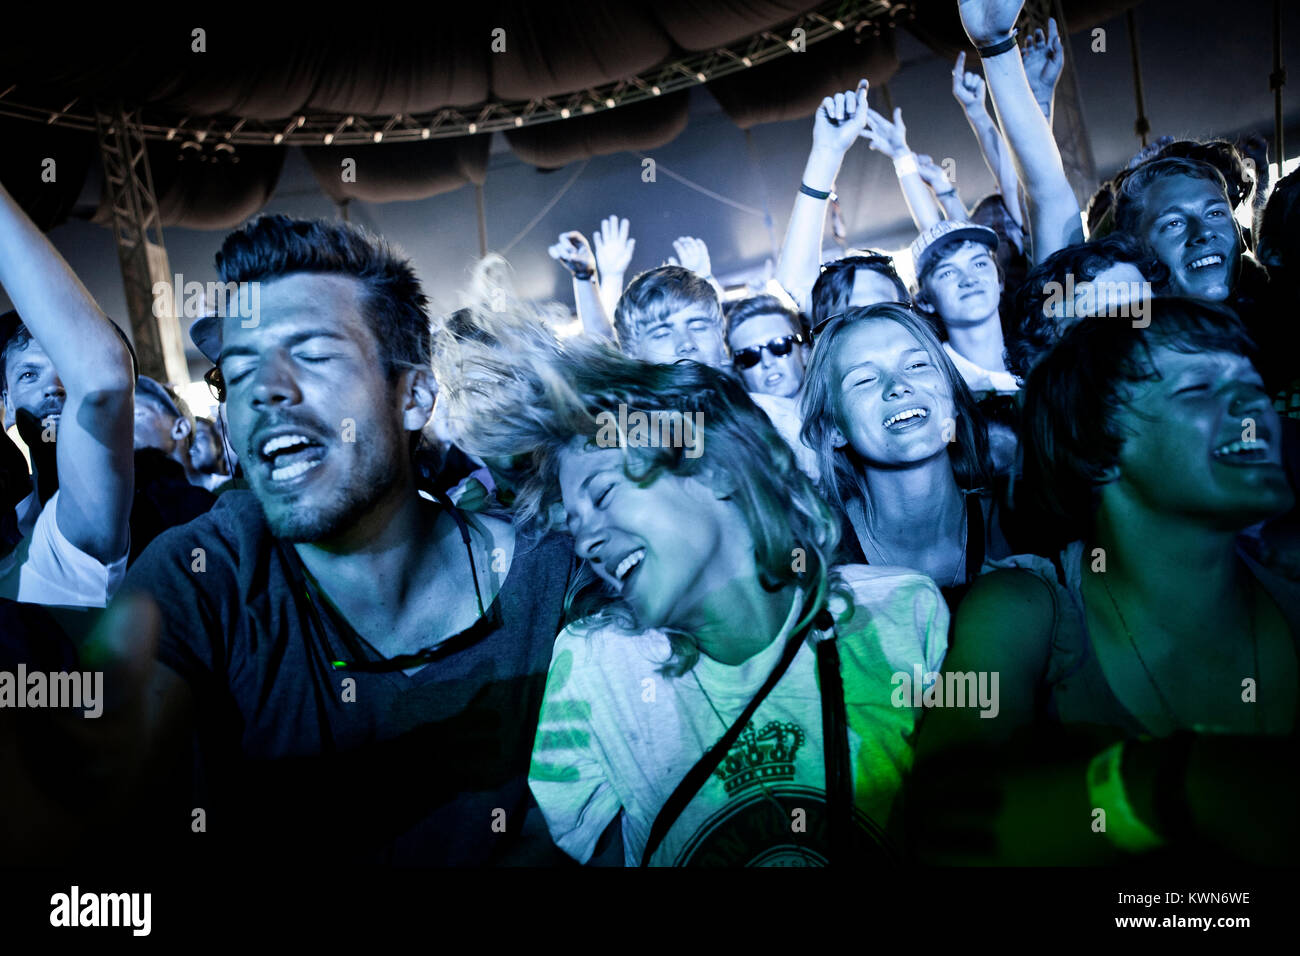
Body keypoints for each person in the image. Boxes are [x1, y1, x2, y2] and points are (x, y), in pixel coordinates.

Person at [119, 214, 574, 866]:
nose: (265, 391)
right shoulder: (206, 580)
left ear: (414, 395)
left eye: (312, 352)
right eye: (238, 371)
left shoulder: (555, 580)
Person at [431, 309, 949, 866]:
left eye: (603, 496)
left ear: (718, 471)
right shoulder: (594, 667)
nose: (585, 543)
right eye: (574, 521)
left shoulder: (899, 614)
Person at [912, 298, 1300, 865]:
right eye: (1198, 388)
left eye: (1252, 380)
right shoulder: (1028, 609)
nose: (1252, 403)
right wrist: (1179, 783)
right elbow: (939, 821)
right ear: (1097, 450)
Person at [800, 303, 1009, 607]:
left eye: (916, 366)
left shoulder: (1021, 523)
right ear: (833, 428)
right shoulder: (817, 558)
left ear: (951, 392)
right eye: (864, 379)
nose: (898, 386)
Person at [0, 181, 134, 608]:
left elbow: (100, 385)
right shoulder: (10, 524)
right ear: (4, 403)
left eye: (65, 375)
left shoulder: (73, 531)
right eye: (28, 375)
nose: (54, 388)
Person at [613, 264, 819, 478]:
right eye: (662, 333)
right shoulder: (623, 442)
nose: (686, 343)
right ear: (631, 354)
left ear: (720, 340)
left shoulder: (781, 420)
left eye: (698, 326)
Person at [129, 376, 215, 563]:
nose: (123, 425)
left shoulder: (205, 510)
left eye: (136, 415)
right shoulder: (123, 503)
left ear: (179, 429)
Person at [724, 294, 808, 398]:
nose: (767, 362)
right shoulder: (702, 414)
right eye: (749, 355)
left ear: (805, 353)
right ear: (738, 373)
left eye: (779, 345)